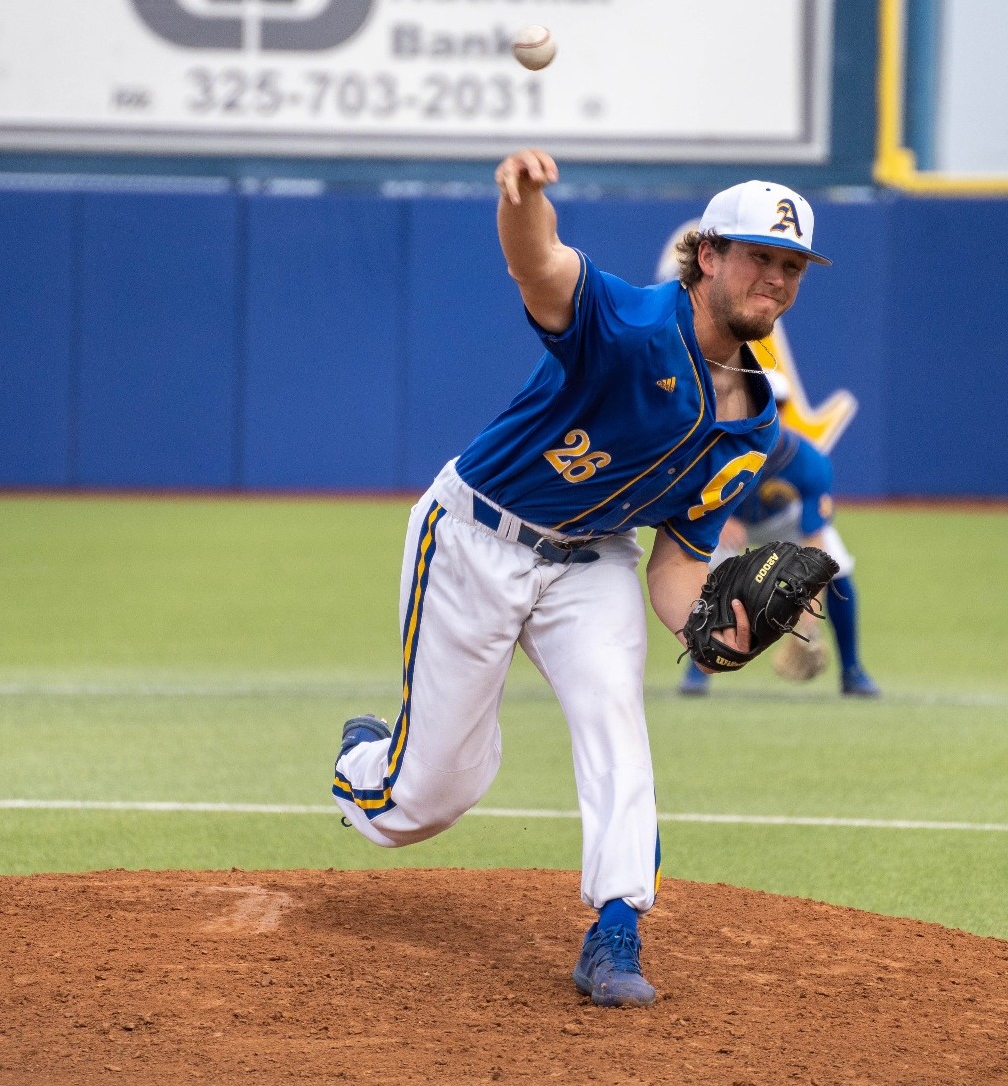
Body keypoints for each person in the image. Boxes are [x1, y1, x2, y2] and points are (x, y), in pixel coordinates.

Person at [329, 149, 831, 1008]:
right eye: (758, 257)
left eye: (790, 266)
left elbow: (679, 559)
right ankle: (365, 758)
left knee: (616, 723)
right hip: (476, 536)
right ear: (707, 255)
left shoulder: (753, 424)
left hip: (593, 557)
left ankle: (615, 931)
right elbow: (540, 264)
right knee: (426, 803)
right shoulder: (632, 324)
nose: (775, 280)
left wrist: (712, 631)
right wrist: (519, 200)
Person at [678, 415, 881, 698]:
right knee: (702, 578)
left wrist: (808, 620)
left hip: (785, 520)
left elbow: (816, 549)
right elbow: (686, 490)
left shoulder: (809, 462)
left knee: (838, 569)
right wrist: (719, 517)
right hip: (725, 519)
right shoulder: (716, 445)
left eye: (780, 404)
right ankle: (696, 668)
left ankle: (852, 671)